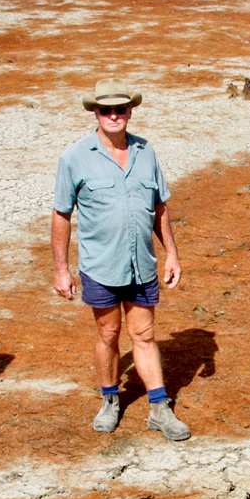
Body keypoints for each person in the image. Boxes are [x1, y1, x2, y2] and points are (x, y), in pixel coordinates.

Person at [51, 80, 191, 441]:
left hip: (141, 264)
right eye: (106, 110)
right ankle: (110, 398)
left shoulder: (147, 152)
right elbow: (61, 214)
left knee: (144, 334)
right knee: (108, 333)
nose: (114, 116)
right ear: (95, 114)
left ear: (130, 111)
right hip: (100, 265)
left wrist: (172, 253)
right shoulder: (75, 157)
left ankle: (159, 408)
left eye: (121, 109)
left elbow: (160, 207)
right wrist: (62, 268)